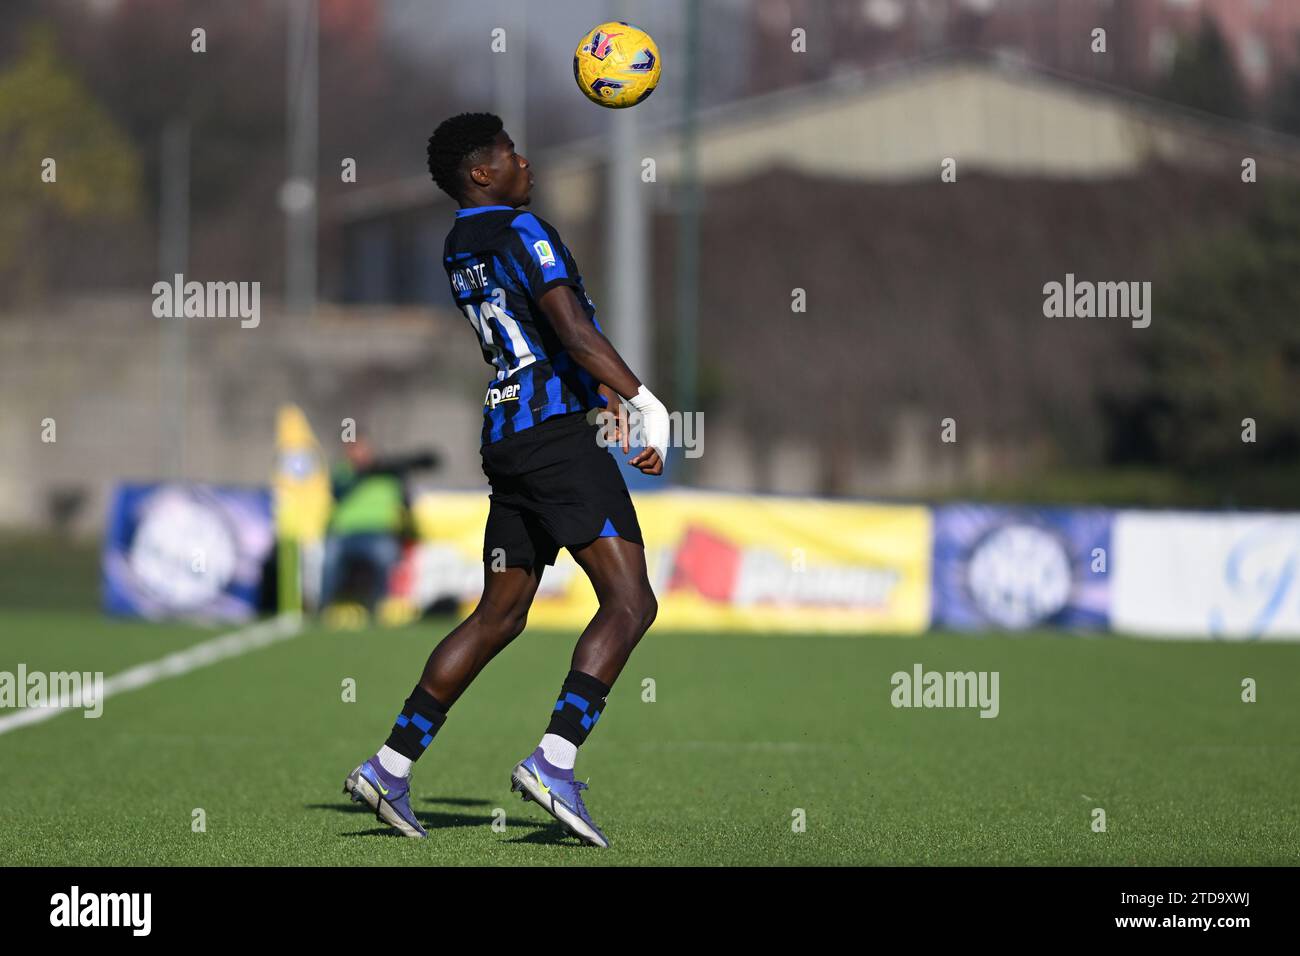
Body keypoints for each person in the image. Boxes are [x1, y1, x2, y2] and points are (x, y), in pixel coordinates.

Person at [343, 112, 669, 847]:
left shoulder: (461, 243)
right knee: (631, 601)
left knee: (499, 615)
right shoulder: (526, 231)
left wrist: (606, 409)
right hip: (553, 442)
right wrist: (644, 399)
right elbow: (575, 334)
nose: (525, 161)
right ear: (480, 172)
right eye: (509, 153)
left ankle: (389, 765)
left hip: (511, 437)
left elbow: (541, 343)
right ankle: (554, 761)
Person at [320, 434, 437, 615]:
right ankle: (324, 607)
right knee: (330, 557)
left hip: (378, 533)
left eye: (361, 448)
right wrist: (362, 472)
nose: (358, 453)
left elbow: (407, 497)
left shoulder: (389, 474)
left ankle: (378, 607)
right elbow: (338, 491)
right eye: (353, 449)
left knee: (385, 555)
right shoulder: (344, 472)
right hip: (345, 534)